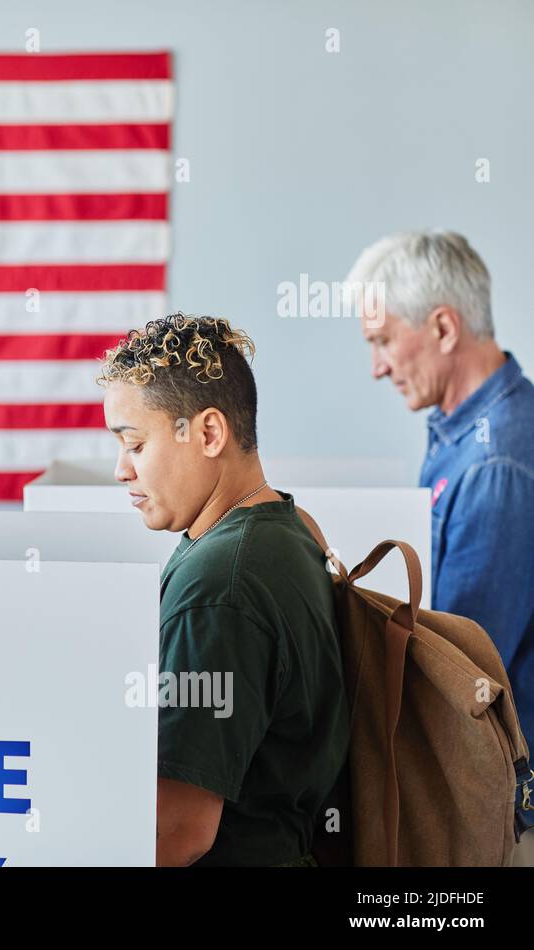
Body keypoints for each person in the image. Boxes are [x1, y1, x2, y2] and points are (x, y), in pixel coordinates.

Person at [98, 313, 349, 866]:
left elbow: (177, 832)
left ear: (208, 433)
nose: (121, 470)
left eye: (135, 444)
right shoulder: (288, 524)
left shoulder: (221, 586)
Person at [346, 230, 534, 864]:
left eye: (382, 341)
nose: (376, 367)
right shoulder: (465, 433)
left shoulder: (496, 464)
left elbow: (465, 668)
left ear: (444, 328)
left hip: (501, 812)